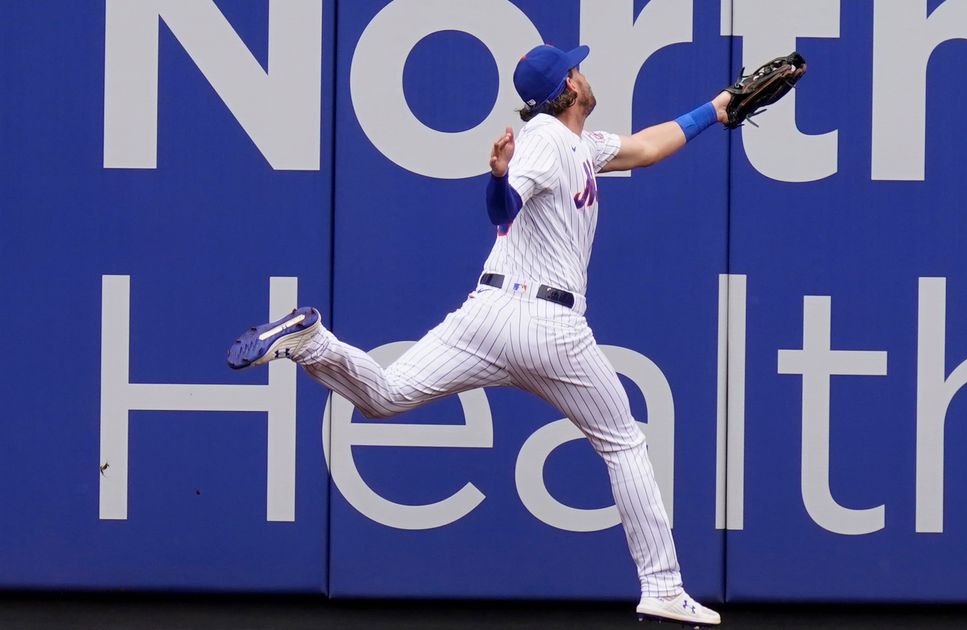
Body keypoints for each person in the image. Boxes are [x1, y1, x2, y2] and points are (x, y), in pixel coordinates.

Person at [228, 43, 731, 626]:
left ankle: (313, 343)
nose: (585, 73)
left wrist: (716, 109)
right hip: (550, 326)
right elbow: (506, 206)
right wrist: (497, 180)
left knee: (384, 397)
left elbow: (647, 147)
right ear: (570, 85)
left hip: (488, 315)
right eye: (578, 67)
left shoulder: (580, 144)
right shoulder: (545, 137)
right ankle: (663, 587)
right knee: (623, 443)